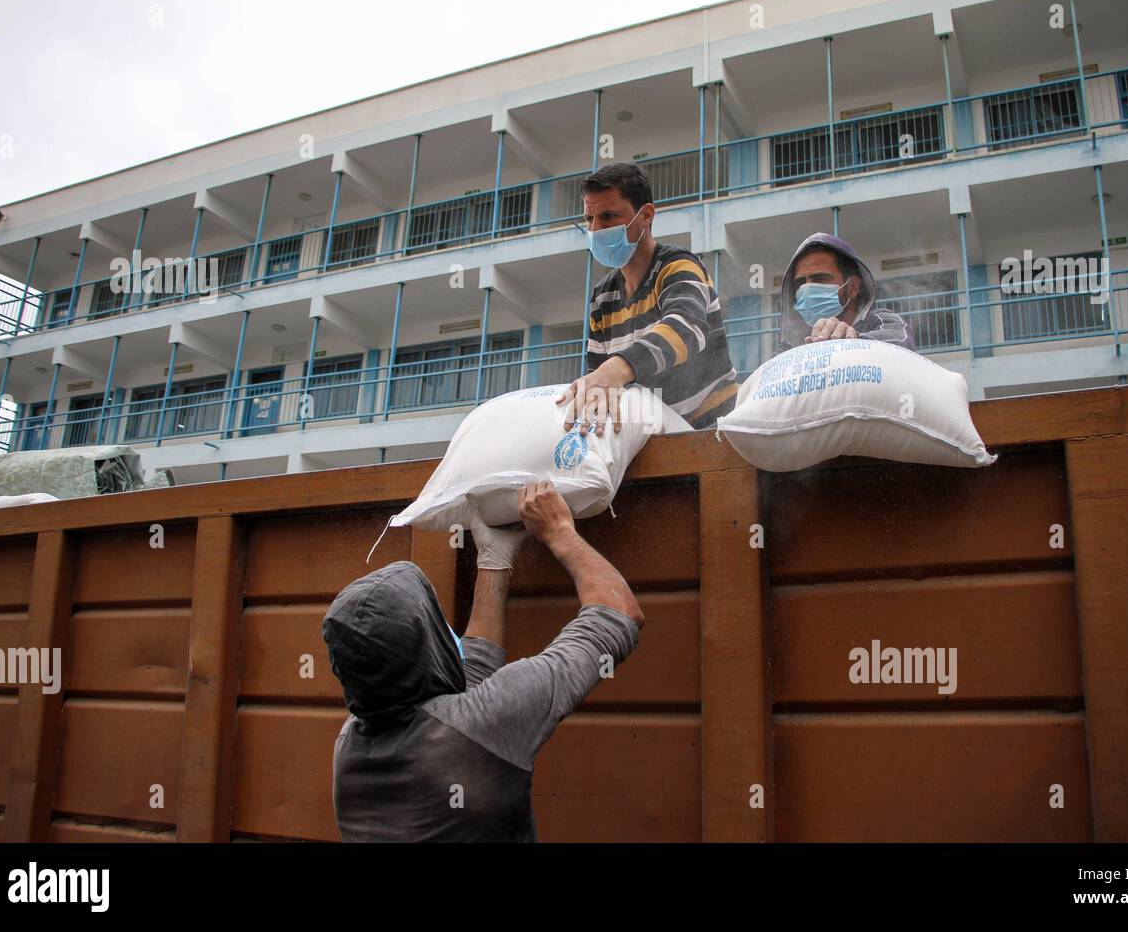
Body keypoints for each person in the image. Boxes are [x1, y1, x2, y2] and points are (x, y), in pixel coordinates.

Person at [322, 480, 643, 842]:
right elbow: (617, 614)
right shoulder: (484, 724)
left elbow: (464, 687)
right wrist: (561, 533)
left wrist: (493, 562)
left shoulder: (351, 742)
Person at [555, 162, 739, 434]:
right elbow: (600, 380)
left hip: (710, 438)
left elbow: (686, 327)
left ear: (646, 215)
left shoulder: (678, 266)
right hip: (646, 442)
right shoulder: (602, 298)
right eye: (589, 219)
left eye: (608, 216)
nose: (596, 229)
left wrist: (617, 370)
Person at [775, 233, 916, 355]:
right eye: (800, 283)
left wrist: (851, 340)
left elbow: (900, 345)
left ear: (852, 287)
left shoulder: (881, 320)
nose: (806, 289)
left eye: (820, 279)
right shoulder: (789, 347)